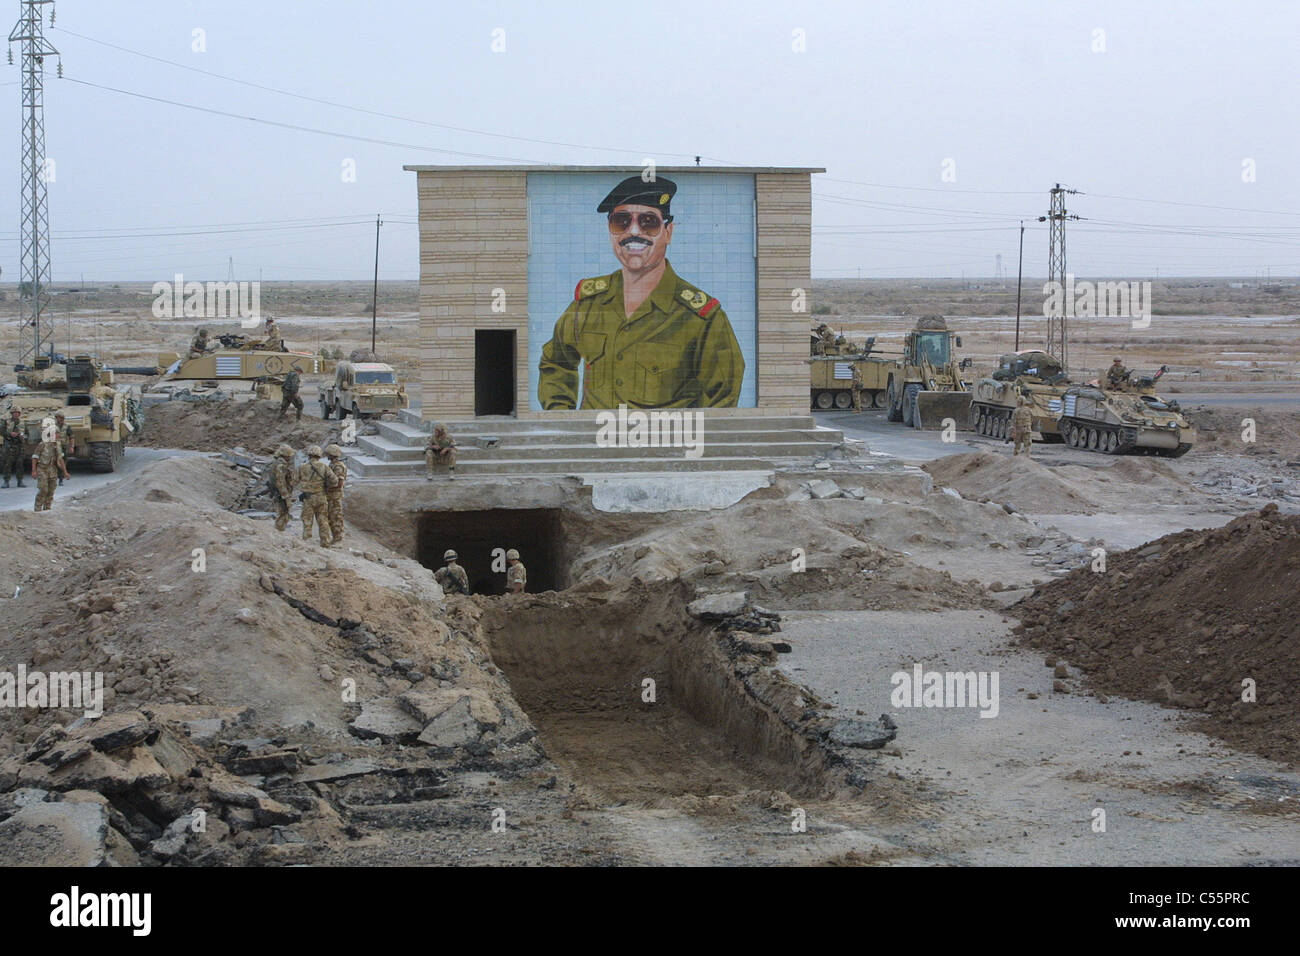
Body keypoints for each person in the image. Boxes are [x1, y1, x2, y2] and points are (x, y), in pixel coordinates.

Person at [537, 175, 745, 410]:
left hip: (664, 445)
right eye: (621, 221)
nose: (633, 231)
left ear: (668, 232)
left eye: (649, 222)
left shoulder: (702, 317)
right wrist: (563, 418)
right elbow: (556, 362)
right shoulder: (588, 304)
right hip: (596, 443)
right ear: (610, 230)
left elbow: (723, 398)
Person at [296, 444, 338, 547]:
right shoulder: (324, 467)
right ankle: (325, 542)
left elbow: (294, 480)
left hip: (308, 498)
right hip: (321, 497)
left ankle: (307, 542)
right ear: (319, 456)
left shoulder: (301, 467)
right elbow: (335, 481)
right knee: (323, 520)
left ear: (309, 455)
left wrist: (304, 486)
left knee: (307, 520)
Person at [31, 431, 69, 511]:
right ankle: (37, 508)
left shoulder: (58, 445)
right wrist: (34, 471)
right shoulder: (43, 444)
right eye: (56, 434)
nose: (58, 436)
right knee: (43, 489)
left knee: (51, 490)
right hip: (42, 469)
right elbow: (35, 457)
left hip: (53, 470)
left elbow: (60, 459)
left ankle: (47, 508)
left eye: (58, 434)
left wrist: (65, 472)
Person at [324, 443, 347, 544]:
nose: (326, 455)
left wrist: (327, 486)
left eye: (328, 453)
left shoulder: (338, 466)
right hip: (330, 495)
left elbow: (339, 483)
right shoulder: (332, 465)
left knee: (336, 517)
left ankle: (338, 538)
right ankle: (335, 537)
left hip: (335, 496)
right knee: (330, 517)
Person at [270, 444, 296, 532]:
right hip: (281, 495)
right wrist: (286, 497)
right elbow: (281, 483)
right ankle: (279, 531)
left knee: (283, 513)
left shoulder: (277, 463)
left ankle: (279, 530)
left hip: (279, 493)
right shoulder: (281, 465)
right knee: (283, 514)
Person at [3, 408, 27, 489]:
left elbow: (27, 434)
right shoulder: (7, 422)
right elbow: (2, 431)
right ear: (12, 413)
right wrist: (9, 434)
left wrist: (22, 436)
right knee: (7, 464)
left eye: (17, 413)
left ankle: (20, 481)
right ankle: (6, 481)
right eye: (14, 413)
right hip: (10, 445)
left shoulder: (23, 423)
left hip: (20, 446)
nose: (16, 414)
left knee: (20, 464)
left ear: (19, 414)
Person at [52, 413, 73, 485]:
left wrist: (71, 447)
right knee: (53, 462)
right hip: (54, 446)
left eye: (59, 417)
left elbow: (71, 437)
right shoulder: (53, 426)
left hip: (63, 446)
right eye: (57, 417)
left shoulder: (67, 426)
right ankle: (53, 478)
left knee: (62, 462)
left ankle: (61, 479)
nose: (58, 419)